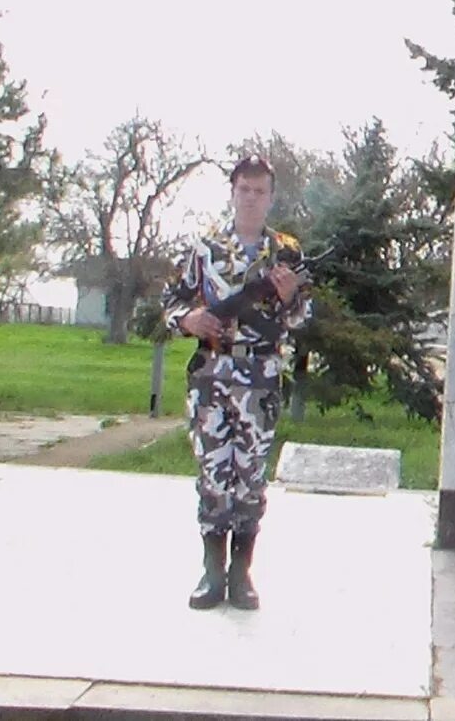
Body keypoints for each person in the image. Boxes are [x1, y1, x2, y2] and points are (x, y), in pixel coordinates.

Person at [162, 154, 312, 611]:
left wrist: (288, 298)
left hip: (260, 376)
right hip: (211, 374)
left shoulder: (286, 252)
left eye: (259, 191)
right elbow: (172, 302)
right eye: (243, 190)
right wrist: (189, 319)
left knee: (250, 476)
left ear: (271, 198)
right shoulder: (204, 249)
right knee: (213, 473)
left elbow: (304, 317)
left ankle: (241, 574)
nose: (251, 198)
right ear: (232, 193)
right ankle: (211, 572)